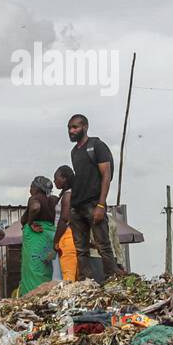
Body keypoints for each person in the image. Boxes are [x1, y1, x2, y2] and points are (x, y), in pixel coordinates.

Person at [66, 114, 124, 280]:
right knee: (81, 249)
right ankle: (87, 281)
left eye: (75, 127)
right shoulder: (74, 152)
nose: (71, 131)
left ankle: (112, 278)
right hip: (77, 206)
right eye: (69, 128)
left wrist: (100, 205)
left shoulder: (97, 146)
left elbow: (106, 175)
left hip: (93, 203)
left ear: (85, 127)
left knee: (103, 245)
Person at [20, 176, 57, 294]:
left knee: (33, 269)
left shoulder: (34, 198)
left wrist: (30, 222)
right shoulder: (53, 200)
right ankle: (46, 294)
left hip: (36, 237)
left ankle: (32, 296)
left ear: (36, 188)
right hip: (50, 237)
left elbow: (36, 207)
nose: (30, 189)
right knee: (45, 267)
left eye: (31, 186)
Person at [51, 166, 78, 282]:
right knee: (61, 274)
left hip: (65, 236)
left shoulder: (68, 195)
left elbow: (64, 219)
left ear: (65, 178)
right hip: (63, 235)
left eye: (56, 178)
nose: (54, 181)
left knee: (68, 276)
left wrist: (56, 240)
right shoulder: (64, 194)